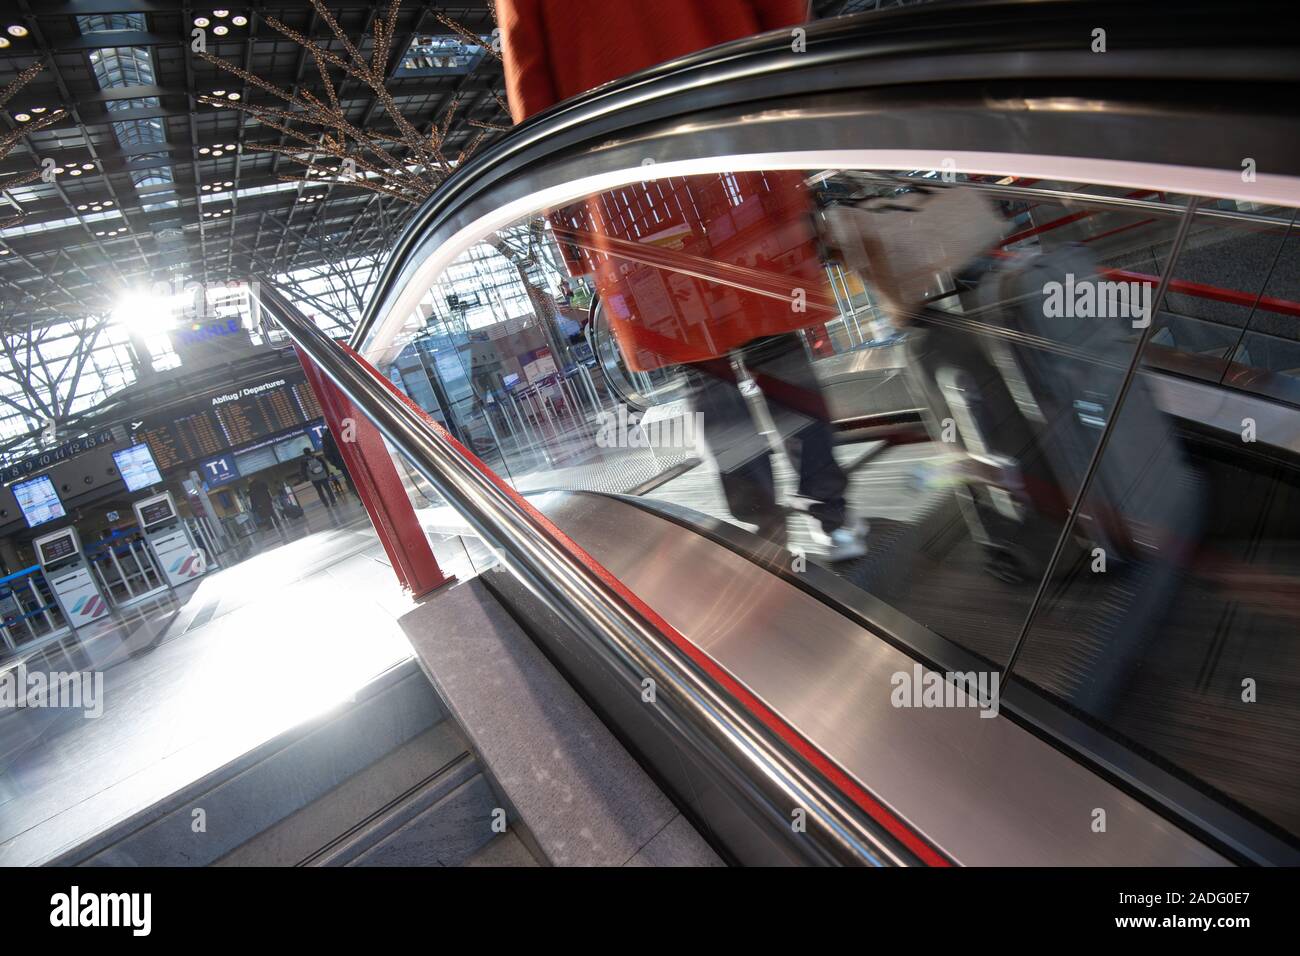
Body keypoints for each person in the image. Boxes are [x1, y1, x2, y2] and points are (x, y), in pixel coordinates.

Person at [500, 0, 867, 559]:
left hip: (630, 186)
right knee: (779, 348)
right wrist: (794, 99)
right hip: (733, 140)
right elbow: (783, 10)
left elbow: (533, 92)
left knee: (705, 370)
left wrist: (573, 236)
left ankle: (762, 537)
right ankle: (833, 516)